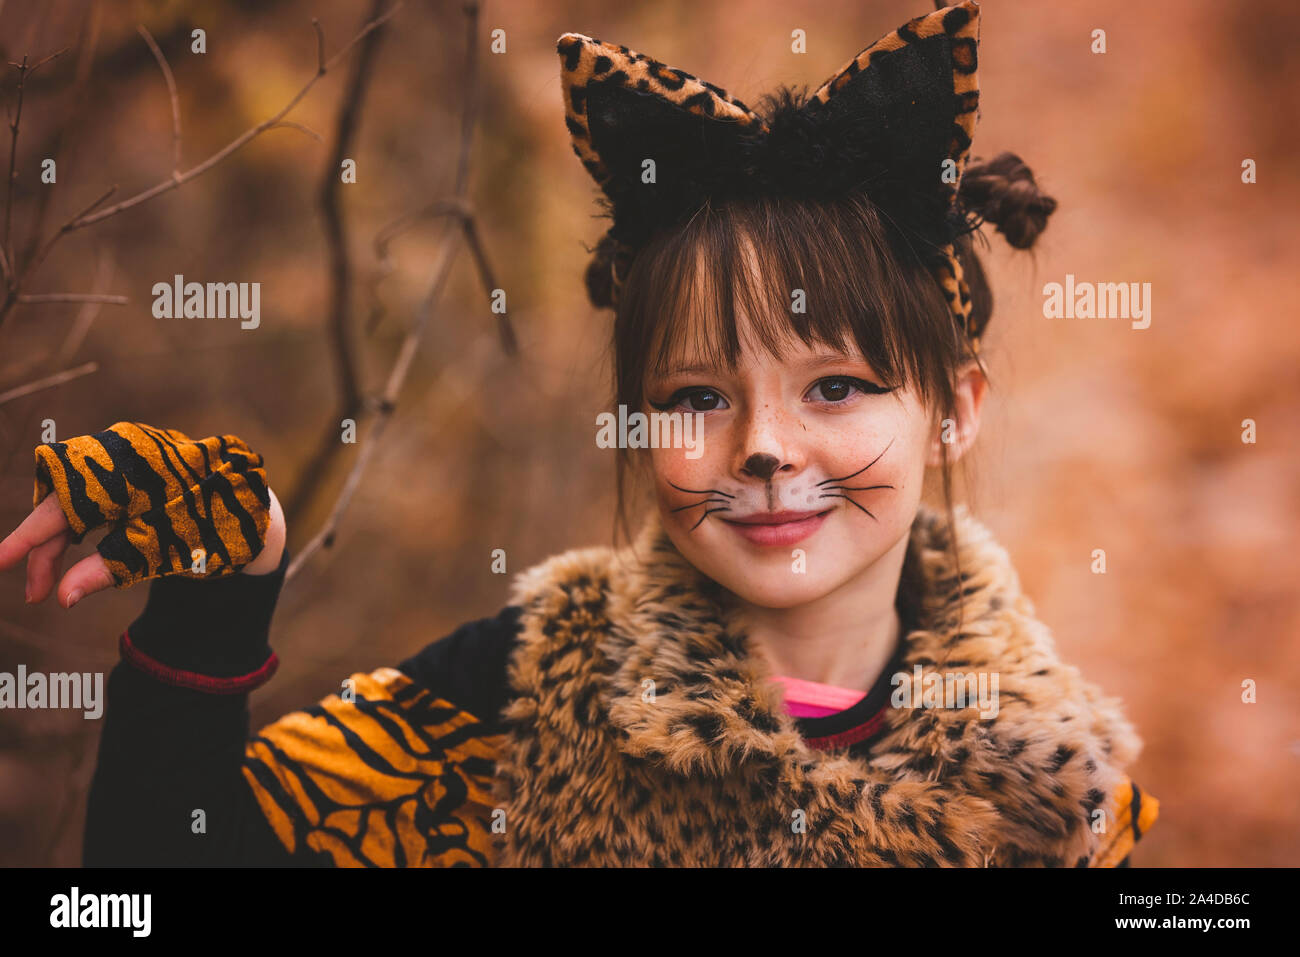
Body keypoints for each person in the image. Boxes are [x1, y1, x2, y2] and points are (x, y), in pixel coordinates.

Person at [0, 0, 1158, 867]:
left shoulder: (1056, 793)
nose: (761, 444)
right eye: (698, 396)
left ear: (951, 409)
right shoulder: (508, 706)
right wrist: (217, 596)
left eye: (836, 387)